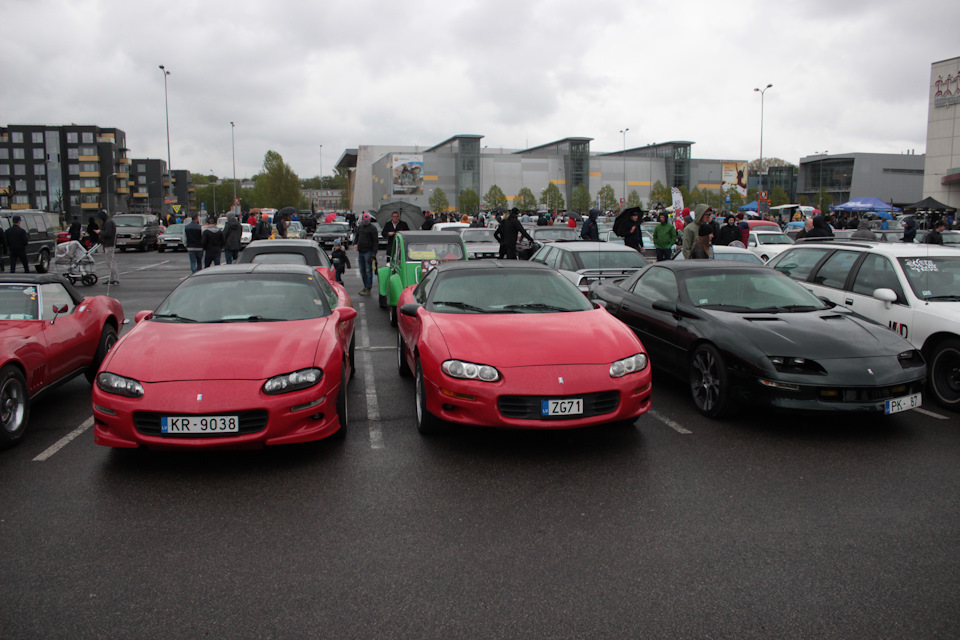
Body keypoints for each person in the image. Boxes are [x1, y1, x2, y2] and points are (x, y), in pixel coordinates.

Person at [354, 212, 380, 295]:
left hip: (368, 252)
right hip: (361, 251)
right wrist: (355, 243)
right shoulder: (360, 227)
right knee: (362, 271)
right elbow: (357, 236)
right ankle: (365, 286)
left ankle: (368, 287)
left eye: (367, 221)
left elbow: (376, 242)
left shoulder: (372, 228)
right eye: (365, 221)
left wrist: (374, 253)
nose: (366, 222)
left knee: (369, 271)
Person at [96, 210, 119, 284]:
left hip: (109, 244)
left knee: (110, 262)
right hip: (109, 243)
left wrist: (100, 232)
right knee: (110, 262)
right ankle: (112, 278)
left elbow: (108, 233)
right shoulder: (109, 221)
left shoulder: (108, 223)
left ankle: (115, 278)